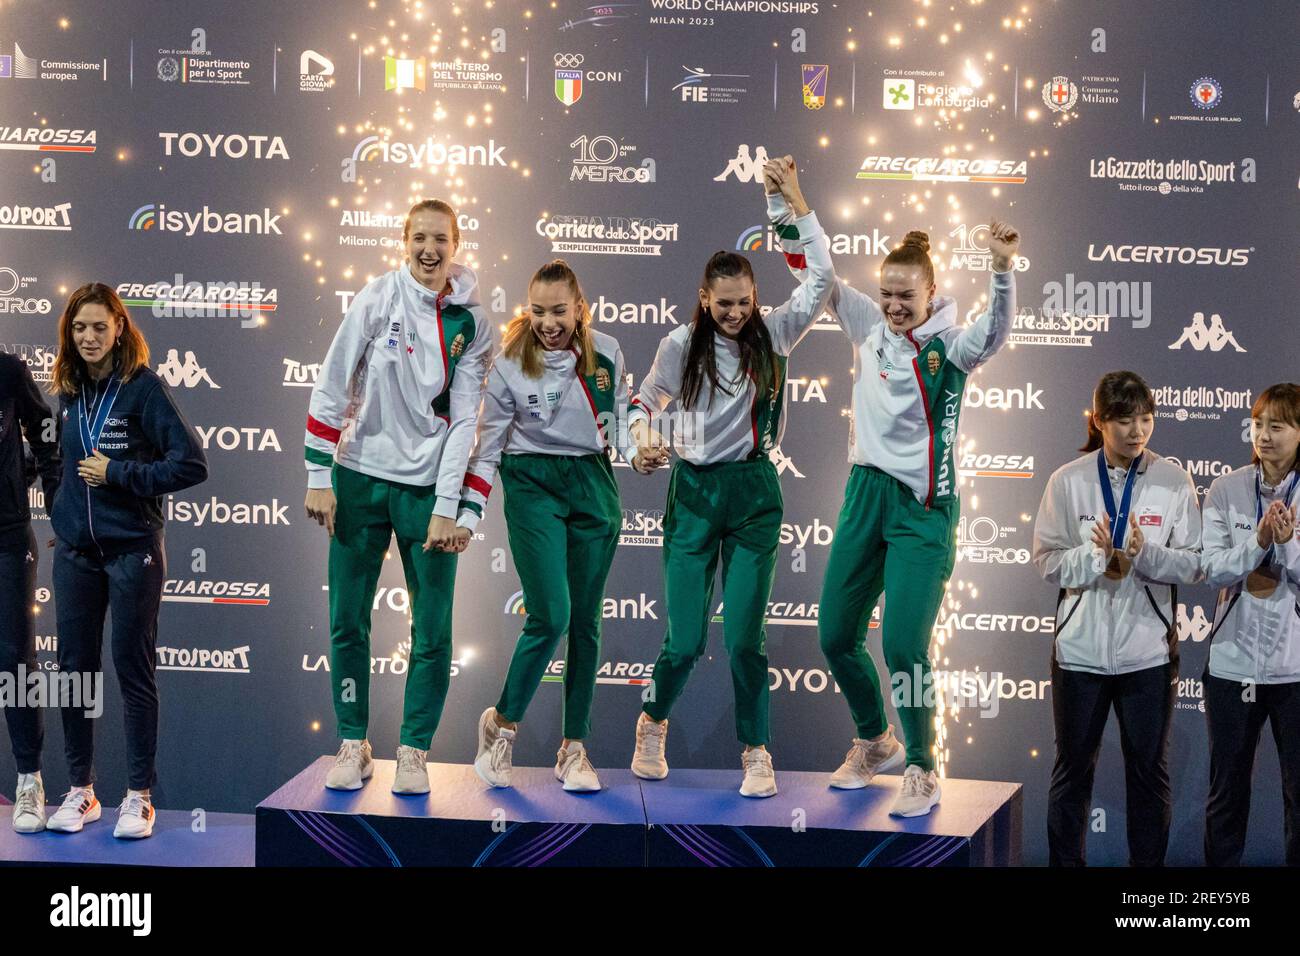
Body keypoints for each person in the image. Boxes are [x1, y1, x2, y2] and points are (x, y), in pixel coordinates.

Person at [797, 207, 1020, 816]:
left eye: (907, 296)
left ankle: (921, 764)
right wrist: (790, 205)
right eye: (887, 295)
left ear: (931, 293)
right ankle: (875, 739)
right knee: (836, 635)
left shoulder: (950, 345)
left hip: (923, 509)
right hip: (864, 495)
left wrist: (1002, 269)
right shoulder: (869, 325)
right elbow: (817, 276)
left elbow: (996, 332)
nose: (895, 307)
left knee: (902, 646)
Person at [626, 155, 834, 797]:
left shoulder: (776, 336)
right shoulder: (676, 346)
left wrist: (792, 200)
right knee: (685, 641)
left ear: (756, 298)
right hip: (692, 495)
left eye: (744, 302)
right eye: (724, 304)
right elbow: (641, 403)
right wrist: (641, 440)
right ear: (703, 299)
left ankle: (756, 752)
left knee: (746, 639)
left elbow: (822, 279)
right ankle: (652, 722)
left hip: (752, 497)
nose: (736, 313)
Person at [304, 198, 493, 795]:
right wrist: (317, 475)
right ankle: (353, 740)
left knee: (433, 630)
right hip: (358, 477)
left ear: (456, 244)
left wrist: (447, 504)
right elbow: (333, 381)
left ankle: (413, 750)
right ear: (403, 240)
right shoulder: (375, 297)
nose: (430, 250)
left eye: (441, 239)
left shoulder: (473, 322)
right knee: (346, 622)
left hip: (426, 489)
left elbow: (466, 422)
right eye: (420, 238)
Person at [465, 260, 643, 793]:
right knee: (551, 614)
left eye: (559, 311)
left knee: (586, 621)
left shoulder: (606, 352)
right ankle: (502, 726)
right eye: (538, 311)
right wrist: (468, 513)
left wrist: (640, 451)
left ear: (579, 309)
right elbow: (489, 443)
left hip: (591, 481)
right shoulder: (509, 362)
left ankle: (574, 750)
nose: (548, 322)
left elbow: (617, 427)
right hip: (531, 482)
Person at [45, 283, 208, 839]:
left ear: (120, 327)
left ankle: (138, 797)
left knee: (133, 674)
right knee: (73, 676)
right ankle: (80, 792)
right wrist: (62, 508)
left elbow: (190, 464)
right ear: (69, 334)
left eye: (99, 326)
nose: (88, 337)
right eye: (79, 328)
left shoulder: (143, 390)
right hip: (74, 556)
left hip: (132, 551)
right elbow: (59, 462)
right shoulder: (68, 392)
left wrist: (120, 474)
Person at [1032, 370, 1202, 865]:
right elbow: (1045, 560)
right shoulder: (1067, 480)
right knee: (1072, 774)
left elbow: (1194, 561)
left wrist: (1145, 554)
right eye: (1124, 420)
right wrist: (1094, 557)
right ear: (1099, 421)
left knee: (1149, 776)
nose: (1137, 431)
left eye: (1146, 419)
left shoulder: (1174, 480)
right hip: (1079, 655)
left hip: (1147, 656)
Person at [1200, 383, 1300, 865]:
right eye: (1258, 424)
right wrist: (1259, 541)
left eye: (1277, 427)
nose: (1264, 436)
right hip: (1232, 665)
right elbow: (1215, 570)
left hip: (1294, 670)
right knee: (1226, 797)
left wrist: (1288, 546)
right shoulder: (1225, 488)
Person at [1, 351, 60, 832]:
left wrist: (56, 504)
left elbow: (46, 437)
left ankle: (29, 781)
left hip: (6, 537)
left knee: (14, 659)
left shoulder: (8, 371)